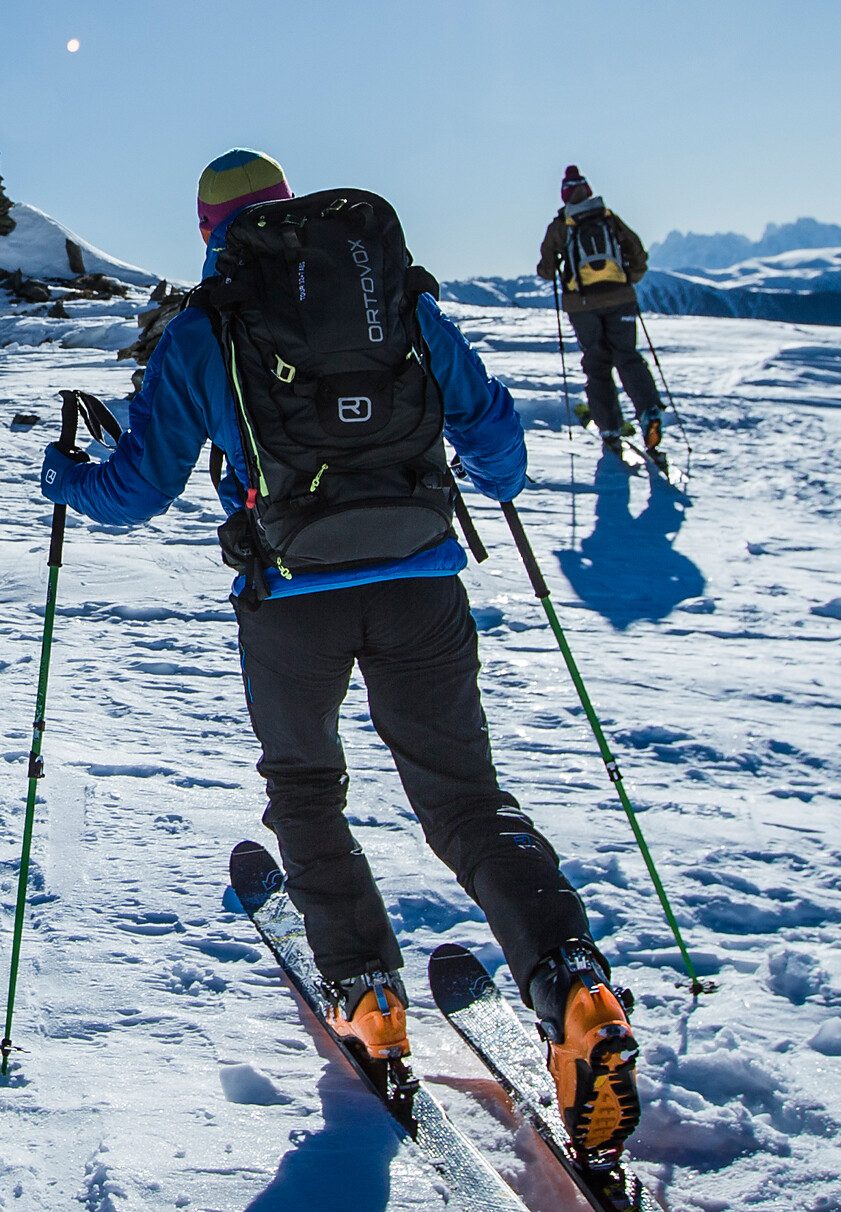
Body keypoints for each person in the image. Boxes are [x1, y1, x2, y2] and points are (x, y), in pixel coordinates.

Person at [38, 149, 640, 1158]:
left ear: (208, 232)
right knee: (466, 801)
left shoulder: (204, 328)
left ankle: (368, 998)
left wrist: (64, 475)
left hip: (290, 603)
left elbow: (137, 492)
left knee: (308, 792)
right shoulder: (392, 295)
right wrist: (466, 468)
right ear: (291, 207)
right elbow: (501, 451)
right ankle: (575, 991)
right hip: (421, 587)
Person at [536, 165, 666, 458]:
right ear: (588, 190)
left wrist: (555, 267)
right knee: (628, 357)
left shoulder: (561, 225)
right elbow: (638, 253)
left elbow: (546, 270)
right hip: (620, 299)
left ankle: (609, 428)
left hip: (582, 305)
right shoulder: (607, 218)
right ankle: (649, 412)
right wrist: (627, 281)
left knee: (597, 363)